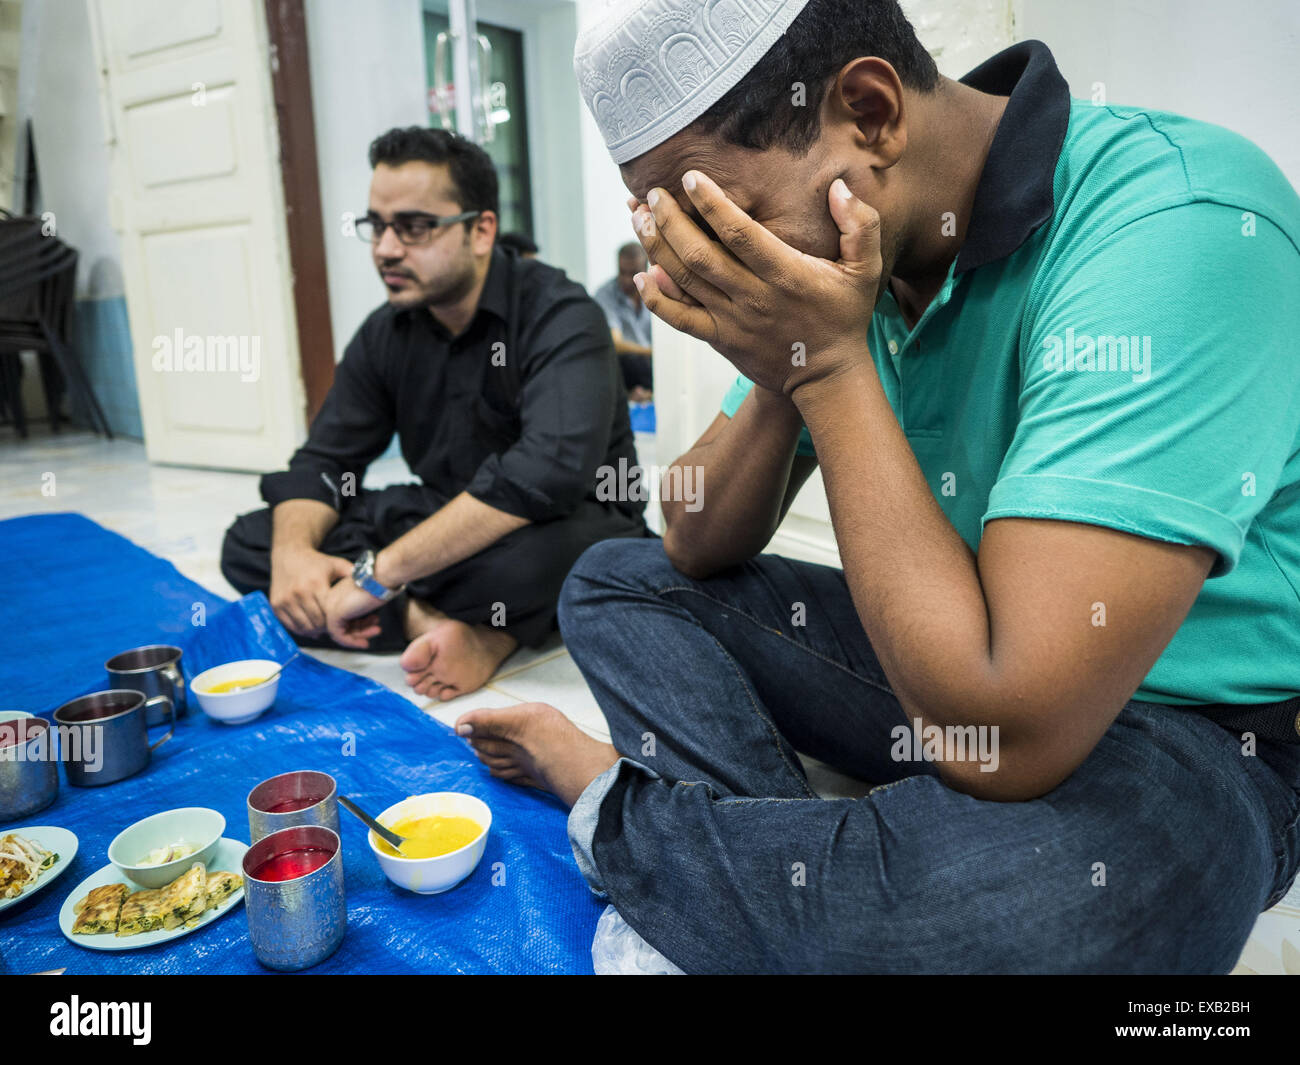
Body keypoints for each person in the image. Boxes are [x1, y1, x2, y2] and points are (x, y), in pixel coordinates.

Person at [456, 0, 1300, 973]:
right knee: (613, 581)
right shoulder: (850, 258)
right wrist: (787, 364)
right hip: (953, 649)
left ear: (868, 111)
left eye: (722, 222)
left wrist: (831, 369)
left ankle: (630, 819)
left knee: (1048, 905)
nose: (702, 264)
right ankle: (787, 870)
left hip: (1192, 731)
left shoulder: (1173, 219)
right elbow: (691, 539)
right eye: (673, 231)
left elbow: (1007, 734)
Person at [222, 126, 651, 702]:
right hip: (449, 519)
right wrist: (294, 555)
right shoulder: (388, 332)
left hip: (560, 527)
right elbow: (325, 458)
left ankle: (475, 625)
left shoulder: (560, 313)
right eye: (376, 225)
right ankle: (441, 625)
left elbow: (546, 474)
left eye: (414, 228)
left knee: (570, 562)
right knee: (251, 541)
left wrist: (376, 576)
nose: (385, 249)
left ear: (480, 230)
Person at [592, 243, 654, 402]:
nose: (626, 280)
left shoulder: (657, 291)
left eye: (632, 273)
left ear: (645, 269)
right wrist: (651, 352)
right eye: (622, 272)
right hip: (625, 367)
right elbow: (616, 343)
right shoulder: (605, 295)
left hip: (654, 367)